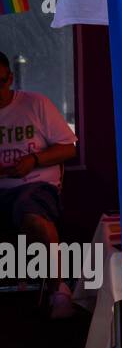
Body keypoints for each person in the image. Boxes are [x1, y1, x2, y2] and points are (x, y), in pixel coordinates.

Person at [0, 52, 79, 317]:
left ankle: (59, 290)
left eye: (0, 82)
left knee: (31, 211)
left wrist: (34, 160)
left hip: (34, 185)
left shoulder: (36, 104)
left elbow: (69, 149)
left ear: (10, 79)